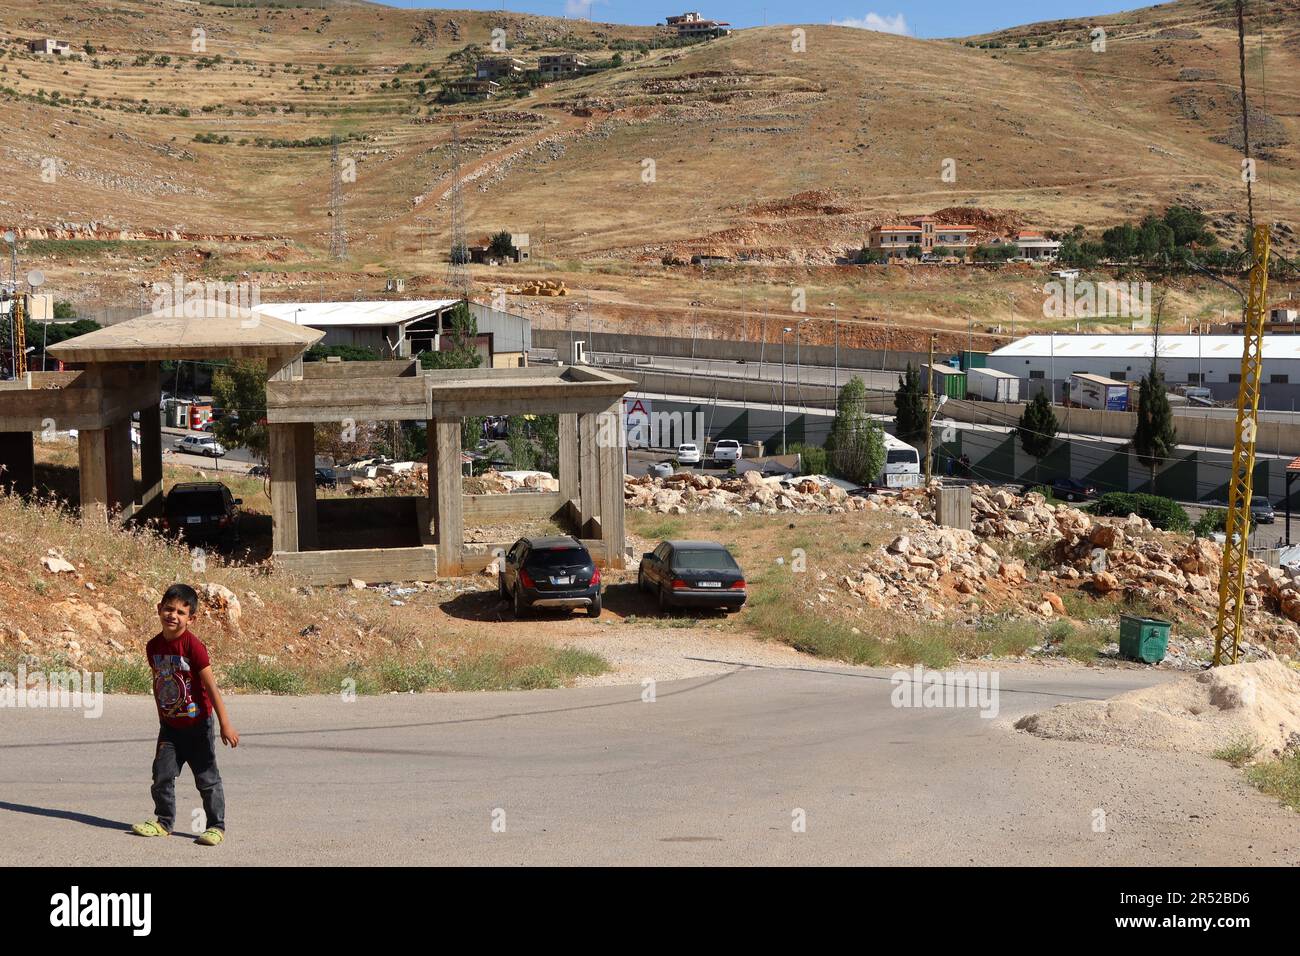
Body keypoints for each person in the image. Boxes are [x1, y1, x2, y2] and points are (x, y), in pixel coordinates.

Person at [132, 584, 239, 846]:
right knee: (162, 775)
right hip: (170, 727)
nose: (173, 615)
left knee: (207, 779)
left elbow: (211, 687)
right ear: (159, 609)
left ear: (191, 619)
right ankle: (163, 822)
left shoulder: (194, 647)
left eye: (181, 612)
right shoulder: (153, 646)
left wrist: (225, 724)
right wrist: (163, 719)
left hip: (198, 725)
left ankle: (216, 826)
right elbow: (160, 683)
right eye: (168, 609)